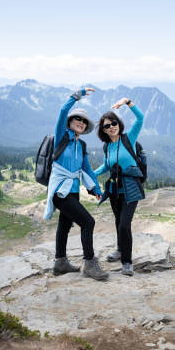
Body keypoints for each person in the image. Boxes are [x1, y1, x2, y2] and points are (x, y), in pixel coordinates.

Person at [43, 87, 108, 281]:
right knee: (88, 222)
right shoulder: (62, 136)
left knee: (64, 224)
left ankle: (60, 262)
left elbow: (87, 170)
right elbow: (63, 112)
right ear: (70, 122)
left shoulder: (82, 146)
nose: (80, 122)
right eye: (77, 119)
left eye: (83, 121)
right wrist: (76, 95)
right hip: (59, 190)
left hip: (72, 190)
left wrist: (96, 188)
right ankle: (89, 263)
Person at [94, 97, 145, 276]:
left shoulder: (128, 139)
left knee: (124, 225)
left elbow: (140, 119)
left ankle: (127, 262)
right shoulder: (107, 147)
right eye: (107, 126)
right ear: (103, 130)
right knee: (118, 222)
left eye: (113, 123)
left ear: (118, 124)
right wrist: (90, 174)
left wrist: (127, 102)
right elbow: (106, 166)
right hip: (115, 191)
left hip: (130, 188)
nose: (111, 127)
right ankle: (120, 249)